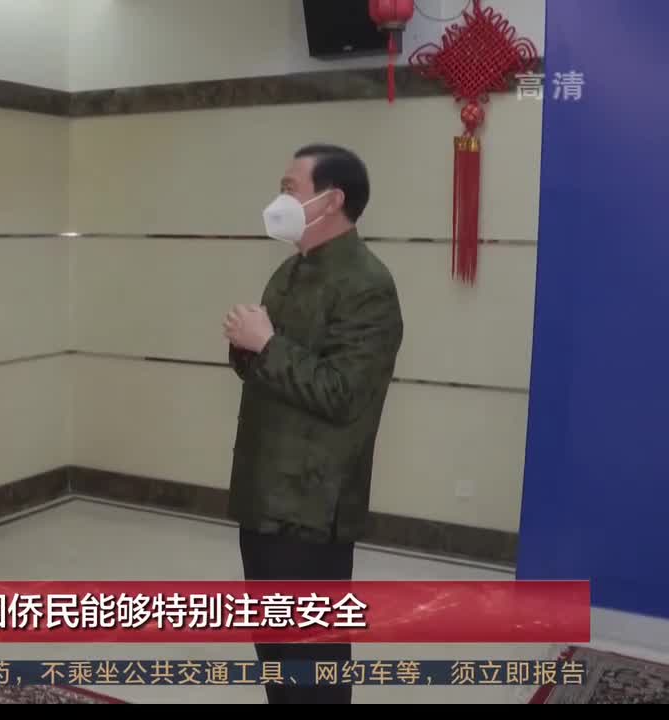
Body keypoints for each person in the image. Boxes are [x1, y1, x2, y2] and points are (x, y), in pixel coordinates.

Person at [224, 144, 403, 705]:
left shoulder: (368, 284)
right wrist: (246, 346)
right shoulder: (288, 272)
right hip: (264, 493)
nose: (279, 200)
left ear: (332, 200)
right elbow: (268, 369)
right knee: (276, 654)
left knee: (312, 662)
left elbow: (343, 393)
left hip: (313, 507)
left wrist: (265, 345)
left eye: (290, 188)